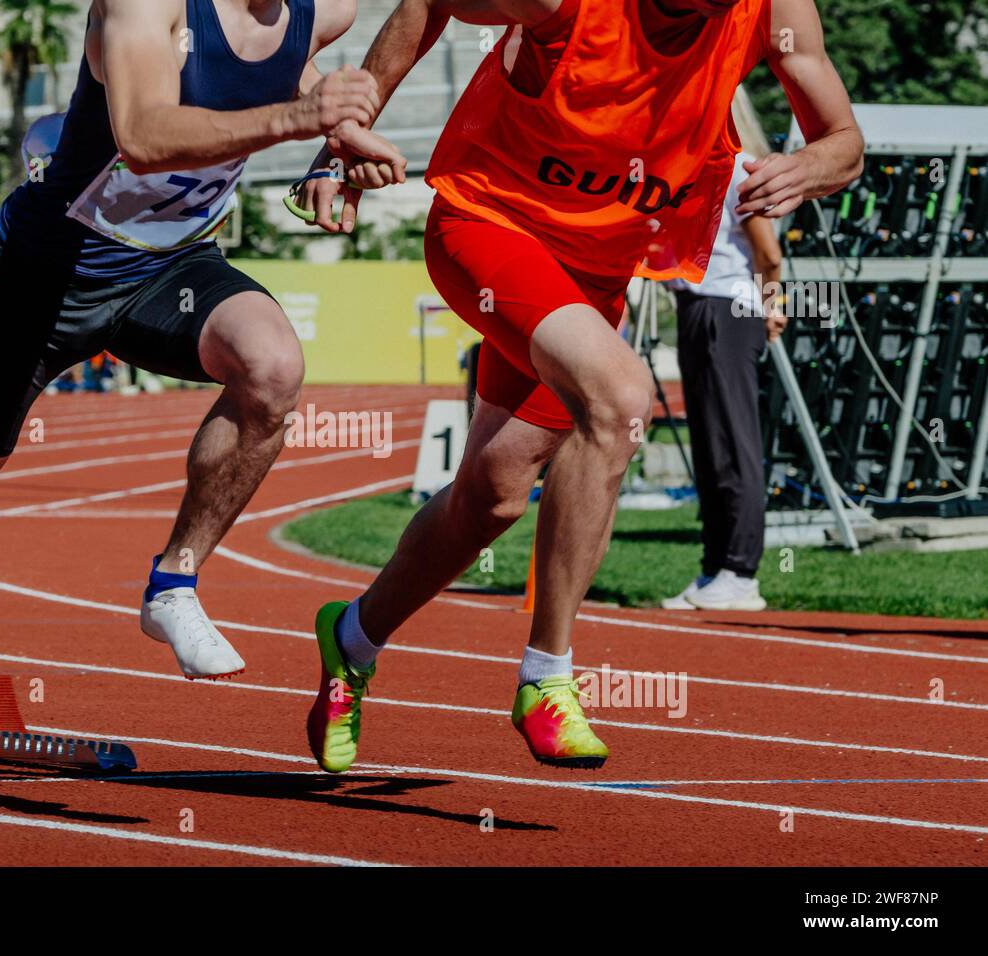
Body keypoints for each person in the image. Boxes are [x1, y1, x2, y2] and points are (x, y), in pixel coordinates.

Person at [0, 0, 405, 811]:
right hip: (49, 276)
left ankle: (174, 583)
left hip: (167, 266)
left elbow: (309, 65)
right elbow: (146, 135)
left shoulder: (321, 12)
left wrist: (332, 151)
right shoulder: (143, 5)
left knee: (272, 366)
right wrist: (307, 117)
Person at [296, 0, 862, 773]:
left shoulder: (773, 11)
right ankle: (548, 679)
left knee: (491, 495)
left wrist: (810, 169)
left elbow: (846, 143)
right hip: (490, 226)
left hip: (592, 271)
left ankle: (352, 637)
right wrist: (343, 141)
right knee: (623, 397)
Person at [662, 149, 786, 612]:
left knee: (733, 441)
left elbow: (768, 253)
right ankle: (716, 565)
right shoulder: (679, 161)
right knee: (711, 444)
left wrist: (772, 306)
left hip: (727, 309)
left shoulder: (739, 168)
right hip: (697, 306)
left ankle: (740, 570)